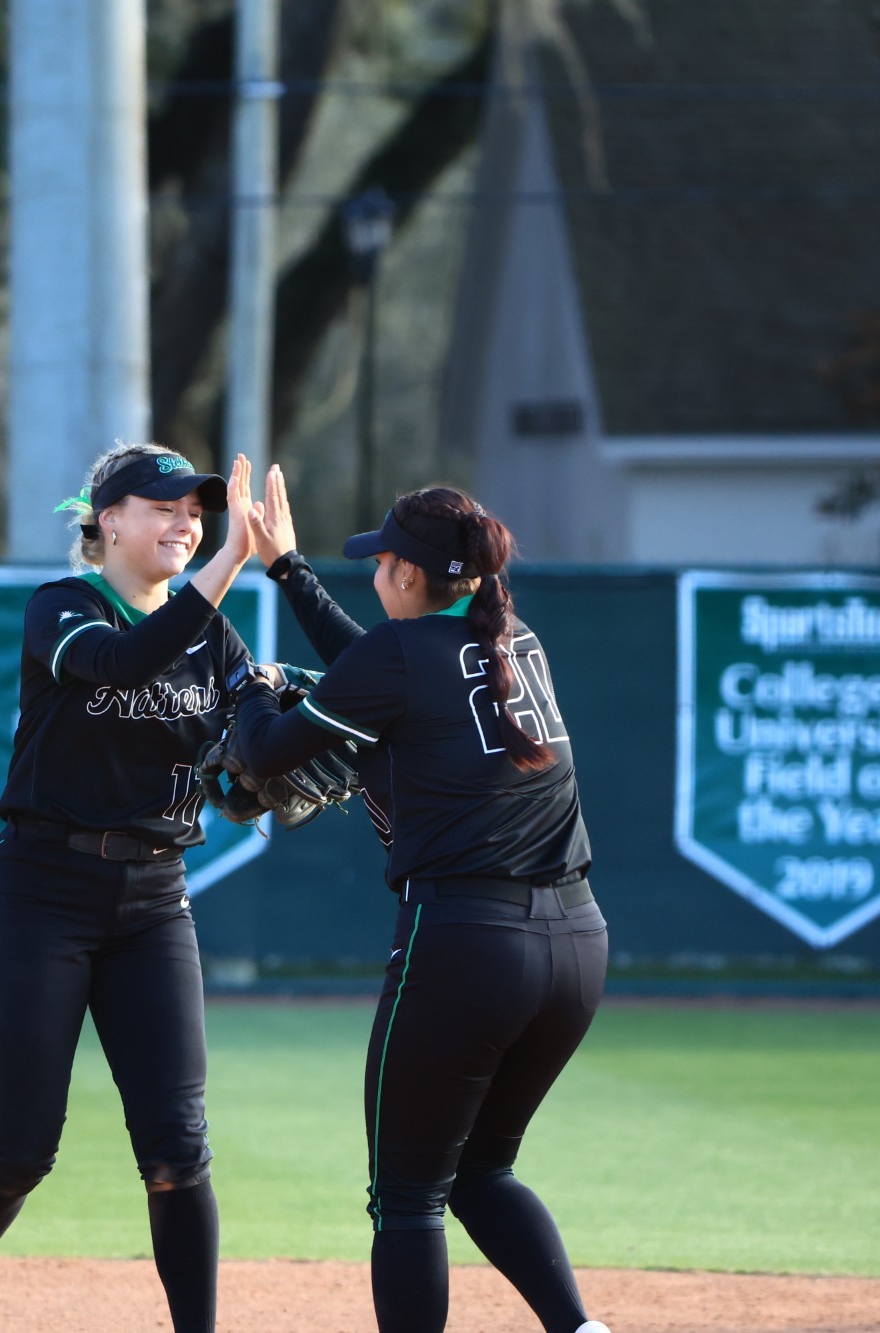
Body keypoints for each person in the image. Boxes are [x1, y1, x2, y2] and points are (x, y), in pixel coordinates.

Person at [231, 472, 612, 1333]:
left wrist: (247, 683)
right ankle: (583, 1331)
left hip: (468, 947)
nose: (372, 574)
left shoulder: (397, 659)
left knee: (406, 1196)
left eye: (380, 562)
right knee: (481, 1170)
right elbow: (380, 670)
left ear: (407, 575)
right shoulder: (517, 638)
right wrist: (288, 570)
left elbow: (266, 752)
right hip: (576, 944)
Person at [0, 445, 259, 1333]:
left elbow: (244, 760)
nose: (187, 521)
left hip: (155, 896)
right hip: (47, 889)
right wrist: (226, 570)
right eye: (164, 505)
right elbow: (117, 664)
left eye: (198, 508)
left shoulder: (215, 635)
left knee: (178, 1149)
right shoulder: (63, 607)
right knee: (23, 1145)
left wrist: (270, 763)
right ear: (108, 519)